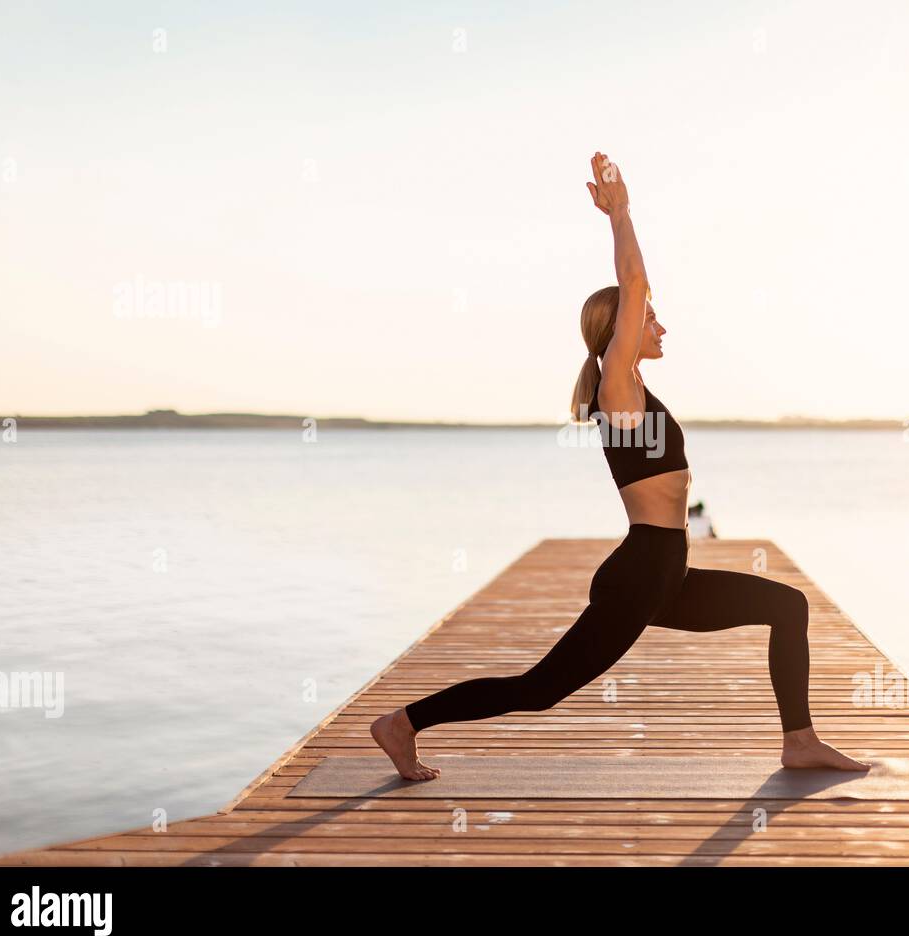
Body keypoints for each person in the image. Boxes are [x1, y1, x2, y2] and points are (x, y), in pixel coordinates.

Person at [371, 151, 870, 779]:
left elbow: (637, 297)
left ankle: (799, 740)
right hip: (640, 575)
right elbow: (633, 284)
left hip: (667, 573)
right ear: (622, 331)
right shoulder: (619, 387)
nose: (660, 324)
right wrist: (621, 212)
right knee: (540, 689)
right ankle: (402, 723)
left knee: (786, 605)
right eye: (649, 318)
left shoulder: (631, 390)